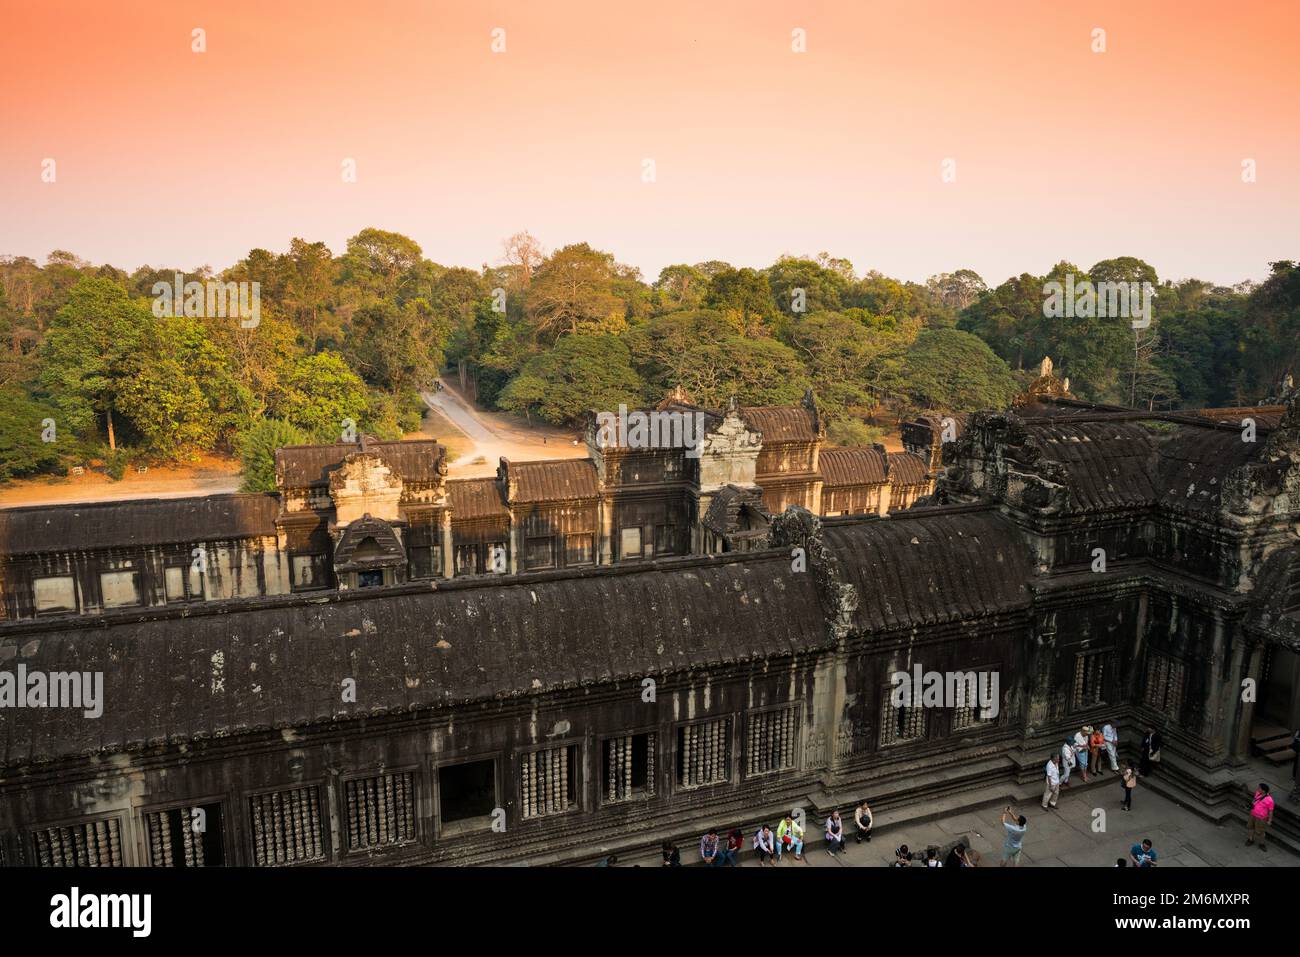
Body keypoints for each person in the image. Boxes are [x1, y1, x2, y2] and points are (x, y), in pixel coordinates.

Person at [1247, 783, 1274, 851]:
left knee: (1261, 832)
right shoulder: (1257, 793)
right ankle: (1250, 839)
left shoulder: (1270, 800)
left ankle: (1262, 844)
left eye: (1259, 788)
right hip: (1253, 814)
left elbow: (1270, 811)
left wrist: (1269, 820)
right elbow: (1255, 800)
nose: (1258, 789)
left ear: (1264, 791)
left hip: (1261, 818)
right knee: (1250, 827)